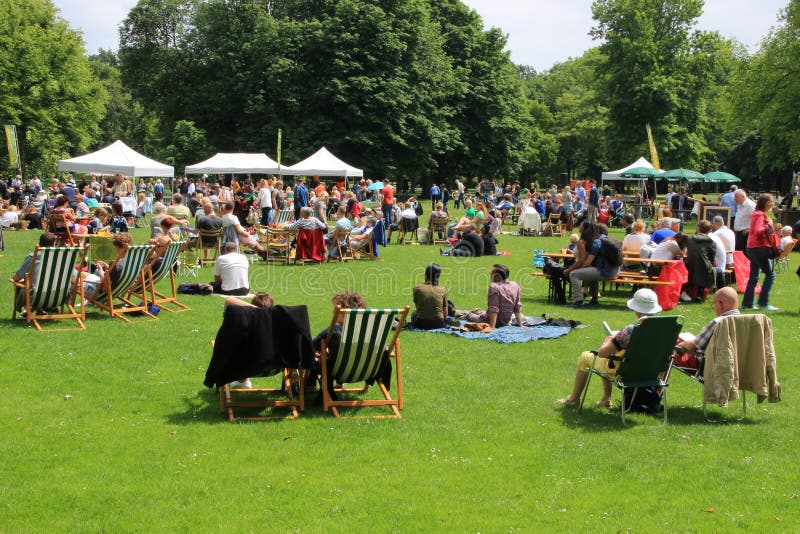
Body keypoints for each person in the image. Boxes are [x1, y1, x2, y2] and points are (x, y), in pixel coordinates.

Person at [556, 288, 662, 409]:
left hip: (624, 372)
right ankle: (605, 399)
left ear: (637, 311)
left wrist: (608, 341)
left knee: (586, 357)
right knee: (612, 358)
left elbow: (602, 352)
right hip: (651, 372)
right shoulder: (664, 330)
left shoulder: (631, 331)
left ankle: (574, 399)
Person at [312, 291, 368, 397]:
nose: (333, 312)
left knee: (321, 359)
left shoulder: (334, 331)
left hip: (339, 372)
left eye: (336, 310)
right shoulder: (369, 331)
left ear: (345, 312)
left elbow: (312, 345)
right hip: (365, 372)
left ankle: (309, 385)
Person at [674, 287, 740, 374]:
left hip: (711, 365)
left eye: (714, 304)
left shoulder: (719, 322)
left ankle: (655, 386)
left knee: (670, 352)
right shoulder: (748, 322)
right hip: (738, 364)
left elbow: (693, 345)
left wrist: (679, 344)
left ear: (720, 304)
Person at [563, 220, 621, 307]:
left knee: (574, 274)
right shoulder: (604, 239)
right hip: (615, 271)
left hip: (605, 272)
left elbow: (585, 262)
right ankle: (594, 299)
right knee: (591, 272)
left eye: (581, 225)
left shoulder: (595, 242)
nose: (579, 226)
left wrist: (570, 270)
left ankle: (579, 301)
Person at [224, 292, 275, 389]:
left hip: (246, 367)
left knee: (241, 348)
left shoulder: (241, 323)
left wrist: (255, 310)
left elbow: (229, 300)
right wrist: (264, 313)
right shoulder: (275, 325)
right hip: (273, 368)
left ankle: (242, 381)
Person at [458, 264, 525, 328]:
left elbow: (494, 309)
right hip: (505, 320)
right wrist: (521, 325)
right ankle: (470, 311)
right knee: (477, 311)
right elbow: (517, 308)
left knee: (469, 315)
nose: (490, 274)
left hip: (493, 321)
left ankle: (453, 312)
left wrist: (491, 327)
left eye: (492, 273)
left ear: (497, 276)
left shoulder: (494, 287)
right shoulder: (515, 285)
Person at [742, 194, 778, 310]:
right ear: (764, 203)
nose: (772, 204)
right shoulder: (760, 215)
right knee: (771, 274)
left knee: (754, 276)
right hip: (759, 248)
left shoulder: (756, 215)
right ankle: (763, 303)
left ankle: (747, 303)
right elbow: (758, 231)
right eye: (770, 201)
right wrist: (769, 225)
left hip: (751, 248)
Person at [13, 232, 57, 311]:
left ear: (39, 244)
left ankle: (31, 310)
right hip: (56, 295)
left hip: (34, 295)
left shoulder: (33, 257)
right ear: (53, 244)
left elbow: (16, 278)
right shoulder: (61, 258)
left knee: (21, 284)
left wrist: (16, 280)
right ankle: (42, 310)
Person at [412, 263, 448, 329]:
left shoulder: (417, 288)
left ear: (426, 275)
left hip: (421, 324)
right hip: (439, 324)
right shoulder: (442, 289)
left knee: (414, 313)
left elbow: (418, 308)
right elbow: (445, 313)